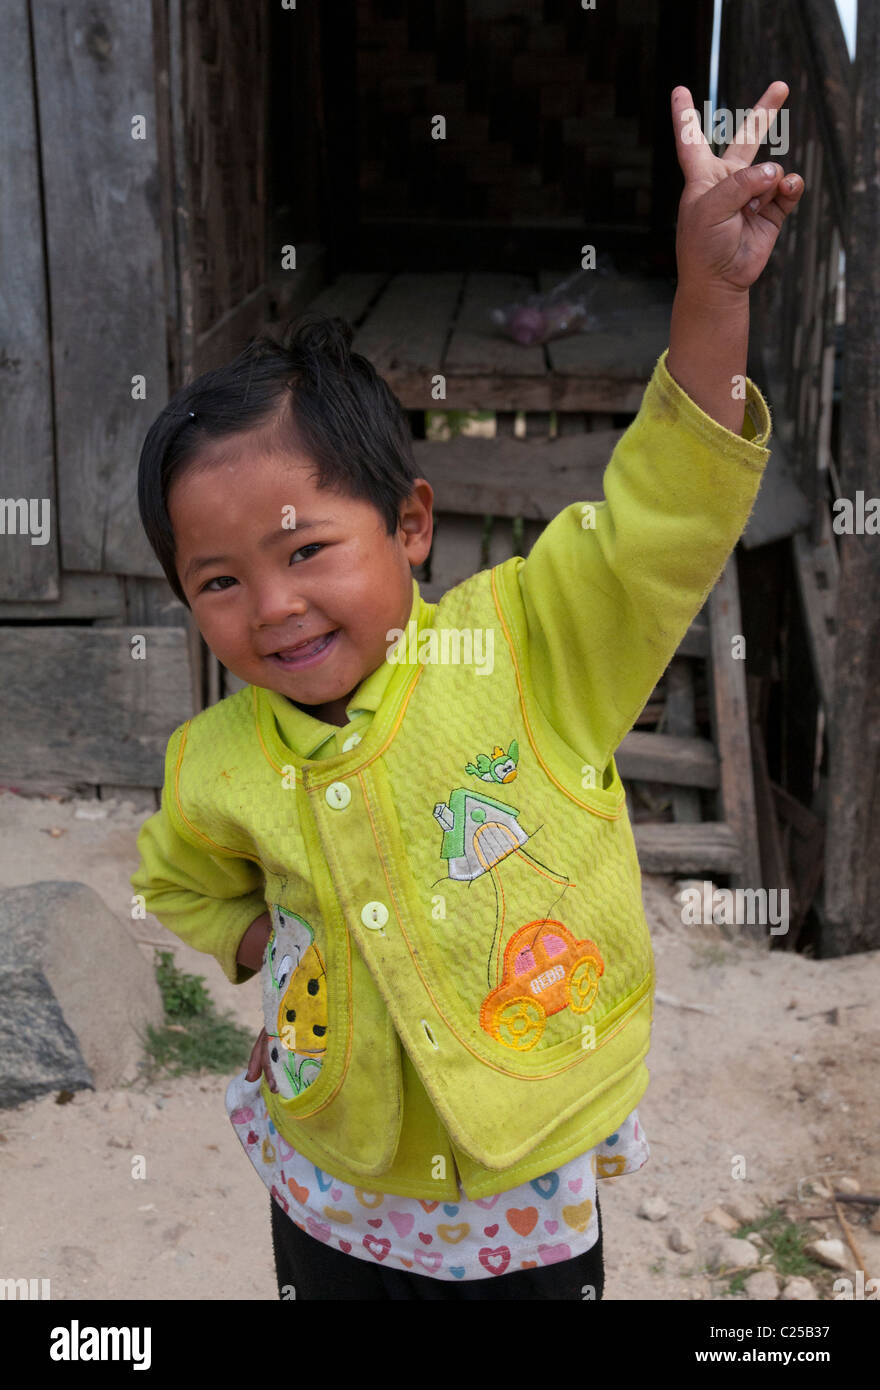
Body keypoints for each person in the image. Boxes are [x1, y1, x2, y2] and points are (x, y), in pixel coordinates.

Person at [130, 83, 804, 1299]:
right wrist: (285, 949)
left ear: (412, 525)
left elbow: (662, 521)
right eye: (218, 579)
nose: (270, 605)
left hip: (524, 1192)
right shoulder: (215, 759)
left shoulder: (532, 645)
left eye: (305, 550)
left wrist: (710, 297)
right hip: (326, 1181)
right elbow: (175, 874)